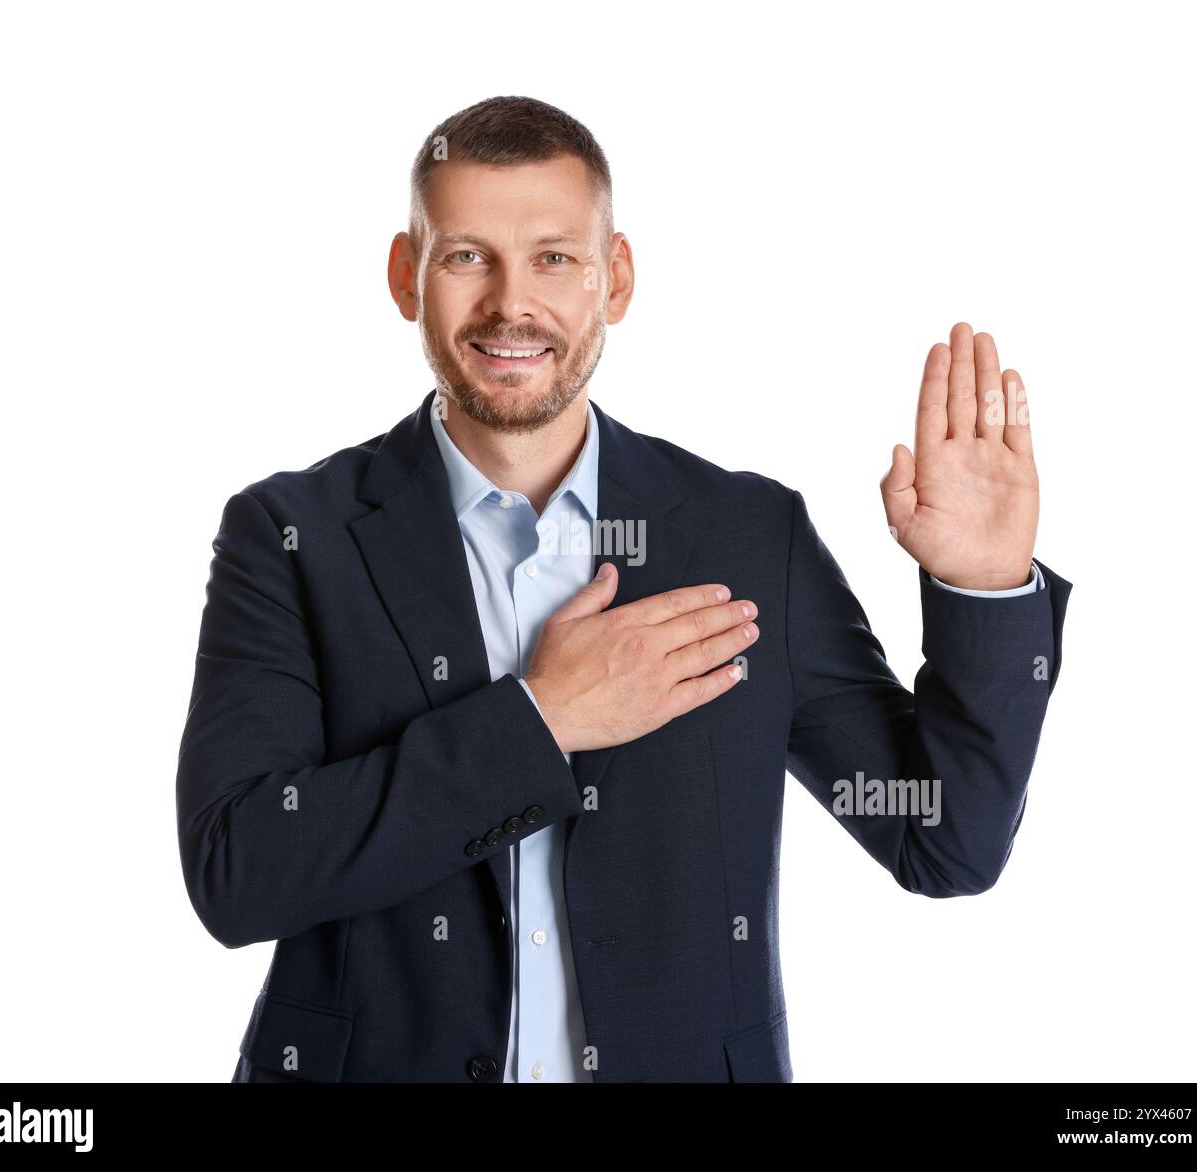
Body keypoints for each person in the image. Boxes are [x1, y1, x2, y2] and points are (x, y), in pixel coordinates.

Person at [176, 95, 1072, 1083]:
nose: (510, 304)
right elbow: (238, 870)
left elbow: (938, 836)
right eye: (467, 255)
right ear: (406, 277)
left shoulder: (746, 534)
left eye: (555, 256)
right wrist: (541, 717)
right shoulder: (291, 537)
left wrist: (984, 589)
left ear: (617, 279)